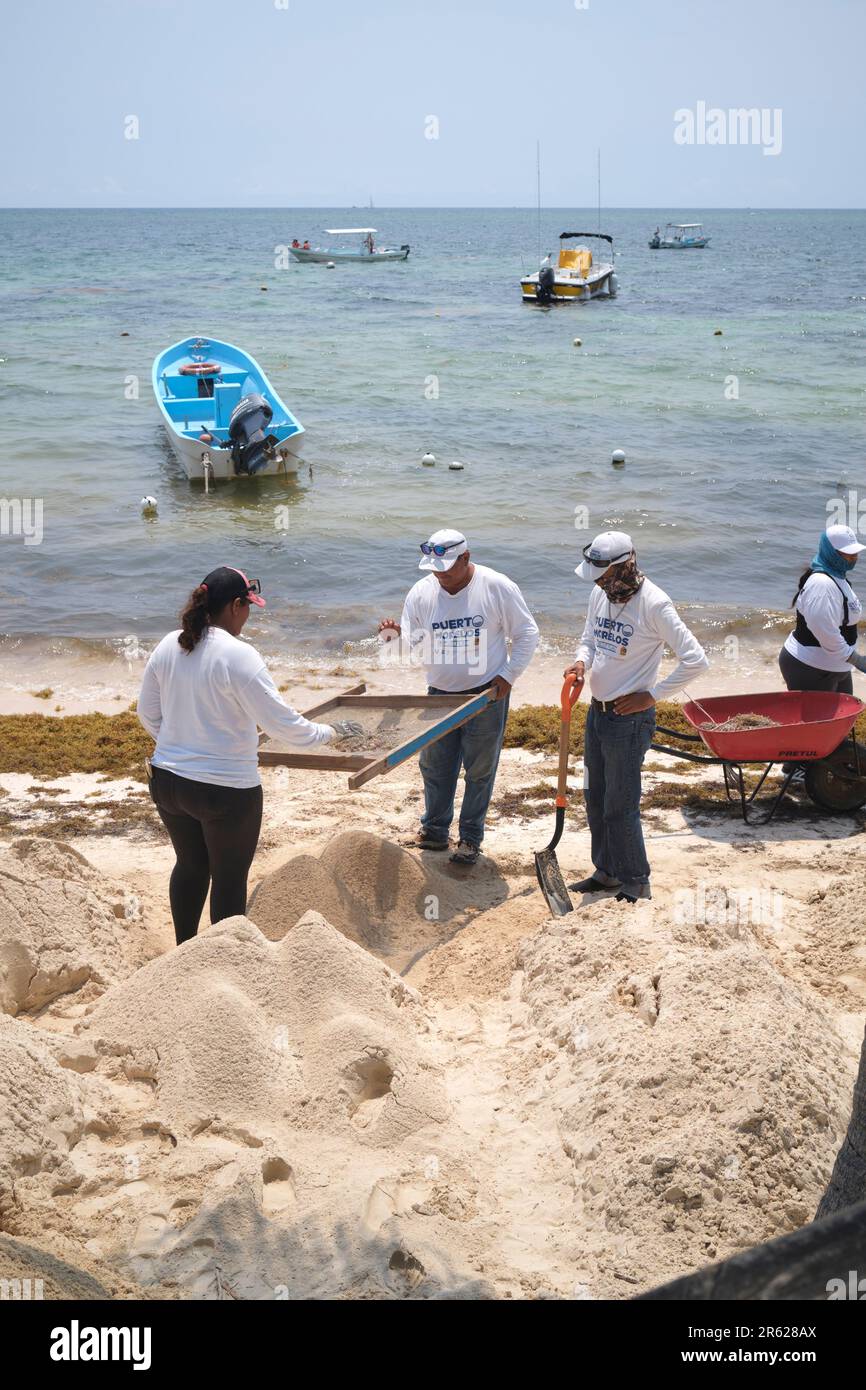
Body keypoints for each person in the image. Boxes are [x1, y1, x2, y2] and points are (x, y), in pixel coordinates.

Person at [137, 566, 361, 945]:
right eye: (248, 607)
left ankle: (183, 953)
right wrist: (331, 731)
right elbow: (284, 728)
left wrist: (183, 744)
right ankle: (226, 964)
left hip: (169, 784)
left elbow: (148, 714)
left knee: (191, 866)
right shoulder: (240, 655)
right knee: (228, 877)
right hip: (225, 794)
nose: (248, 616)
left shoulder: (169, 643)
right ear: (235, 605)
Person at [378, 529, 539, 865]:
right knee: (434, 766)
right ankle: (435, 832)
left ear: (466, 558)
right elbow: (412, 644)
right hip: (438, 695)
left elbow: (527, 634)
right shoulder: (421, 593)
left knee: (479, 770)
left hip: (486, 695)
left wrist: (508, 676)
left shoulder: (497, 586)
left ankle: (470, 839)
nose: (441, 575)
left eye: (447, 568)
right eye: (435, 569)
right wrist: (391, 639)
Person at [564, 531, 709, 904]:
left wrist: (652, 695)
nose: (596, 581)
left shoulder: (655, 604)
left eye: (602, 574)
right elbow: (590, 639)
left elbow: (696, 659)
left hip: (628, 722)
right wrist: (581, 662)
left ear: (623, 567)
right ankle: (607, 872)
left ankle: (636, 880)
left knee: (620, 804)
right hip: (598, 712)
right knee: (595, 797)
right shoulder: (600, 593)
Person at [779, 524, 866, 694]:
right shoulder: (822, 584)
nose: (854, 557)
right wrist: (856, 660)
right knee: (819, 721)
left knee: (846, 718)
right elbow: (824, 630)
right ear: (831, 552)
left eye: (855, 553)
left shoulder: (837, 577)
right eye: (847, 554)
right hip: (811, 668)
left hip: (836, 666)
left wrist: (850, 660)